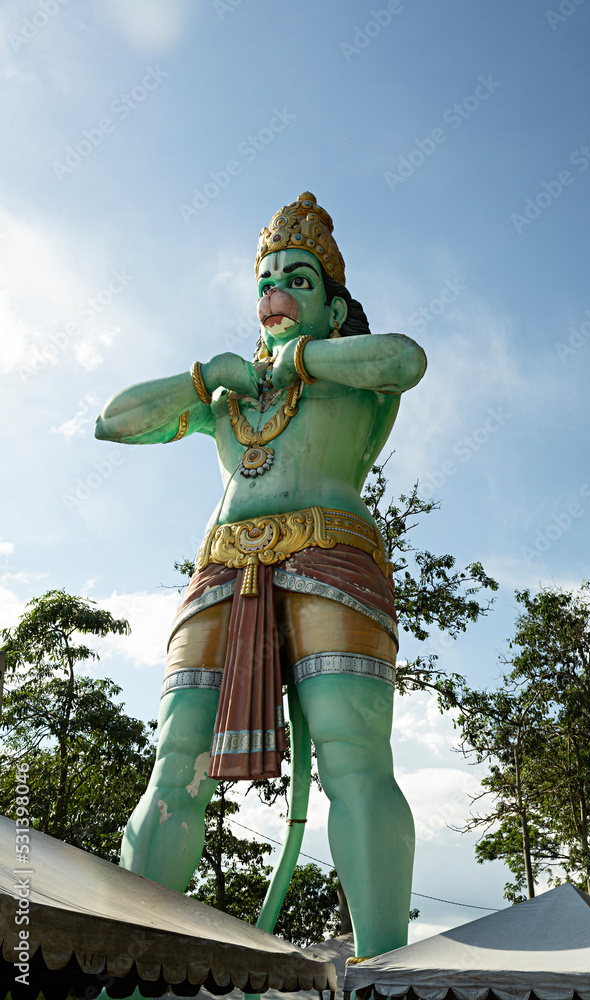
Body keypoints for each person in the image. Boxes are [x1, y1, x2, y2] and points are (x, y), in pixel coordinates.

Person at [95, 191, 427, 957]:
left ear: (333, 304)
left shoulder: (350, 371)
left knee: (351, 755)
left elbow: (406, 359)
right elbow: (112, 421)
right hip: (221, 569)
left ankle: (381, 964)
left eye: (298, 279)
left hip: (329, 553)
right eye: (267, 278)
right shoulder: (230, 394)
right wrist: (202, 375)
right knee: (177, 761)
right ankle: (132, 958)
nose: (276, 290)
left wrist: (301, 357)